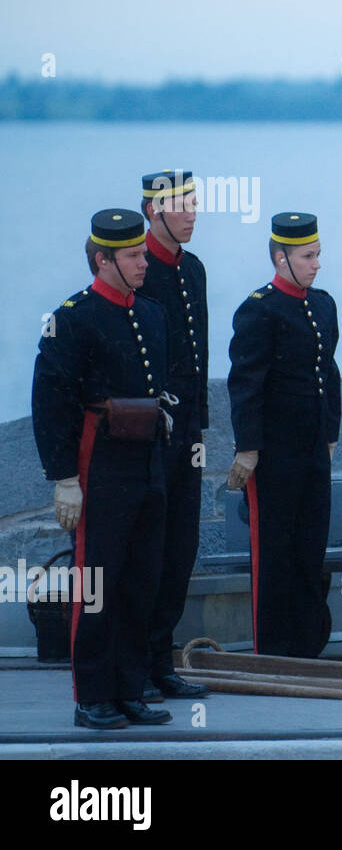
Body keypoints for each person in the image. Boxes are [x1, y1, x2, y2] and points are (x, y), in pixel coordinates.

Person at [32, 209, 174, 729]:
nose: (144, 263)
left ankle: (130, 689)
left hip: (146, 460)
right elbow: (51, 400)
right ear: (102, 259)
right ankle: (93, 695)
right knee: (99, 580)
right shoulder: (71, 317)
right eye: (134, 256)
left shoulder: (153, 314)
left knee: (142, 579)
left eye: (142, 254)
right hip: (101, 463)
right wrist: (65, 478)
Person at [226, 212, 342, 658]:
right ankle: (273, 651)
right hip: (274, 452)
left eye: (318, 254)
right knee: (274, 552)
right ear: (281, 258)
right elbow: (246, 383)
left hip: (313, 447)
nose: (317, 264)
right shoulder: (259, 309)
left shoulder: (324, 304)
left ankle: (307, 648)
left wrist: (330, 433)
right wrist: (247, 449)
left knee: (310, 547)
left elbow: (327, 372)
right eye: (308, 256)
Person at [136, 170, 210, 701]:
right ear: (152, 211)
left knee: (181, 546)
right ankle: (135, 663)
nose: (191, 213)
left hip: (188, 433)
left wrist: (199, 426)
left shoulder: (194, 270)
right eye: (180, 204)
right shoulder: (139, 270)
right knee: (147, 550)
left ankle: (161, 658)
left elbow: (198, 357)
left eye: (193, 203)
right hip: (149, 434)